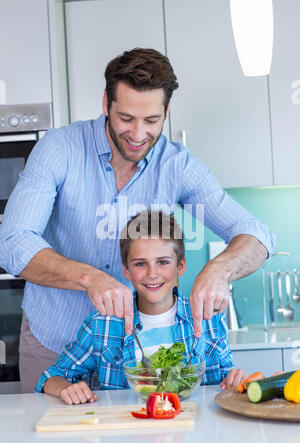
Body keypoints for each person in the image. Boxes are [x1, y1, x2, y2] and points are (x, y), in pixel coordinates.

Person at [0, 48, 275, 393]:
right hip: (52, 342)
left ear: (166, 112)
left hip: (131, 357)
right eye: (126, 118)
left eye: (152, 121)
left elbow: (257, 234)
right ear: (106, 104)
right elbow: (12, 242)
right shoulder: (60, 149)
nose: (139, 134)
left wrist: (218, 270)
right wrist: (89, 278)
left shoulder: (177, 164)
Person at [35, 210, 249, 404]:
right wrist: (65, 388)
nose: (152, 273)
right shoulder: (102, 324)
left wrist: (235, 379)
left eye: (163, 262)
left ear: (180, 266)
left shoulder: (208, 318)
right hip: (125, 429)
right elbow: (51, 377)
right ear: (126, 270)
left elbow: (224, 381)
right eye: (140, 264)